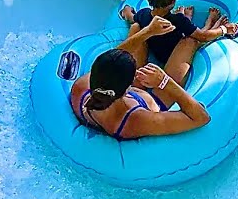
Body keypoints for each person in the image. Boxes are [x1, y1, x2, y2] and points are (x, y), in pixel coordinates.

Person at [119, 0, 237, 86]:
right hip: (176, 52)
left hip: (159, 53)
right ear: (173, 1)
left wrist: (126, 10)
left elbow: (131, 18)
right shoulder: (177, 21)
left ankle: (190, 17)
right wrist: (224, 29)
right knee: (193, 39)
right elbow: (203, 36)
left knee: (136, 25)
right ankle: (210, 22)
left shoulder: (144, 14)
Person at [70, 48, 210, 140]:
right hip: (154, 103)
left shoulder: (80, 86)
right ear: (128, 88)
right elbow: (201, 118)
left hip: (130, 98)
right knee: (188, 42)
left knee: (137, 31)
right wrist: (164, 81)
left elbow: (111, 64)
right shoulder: (135, 120)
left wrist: (147, 32)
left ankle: (143, 27)